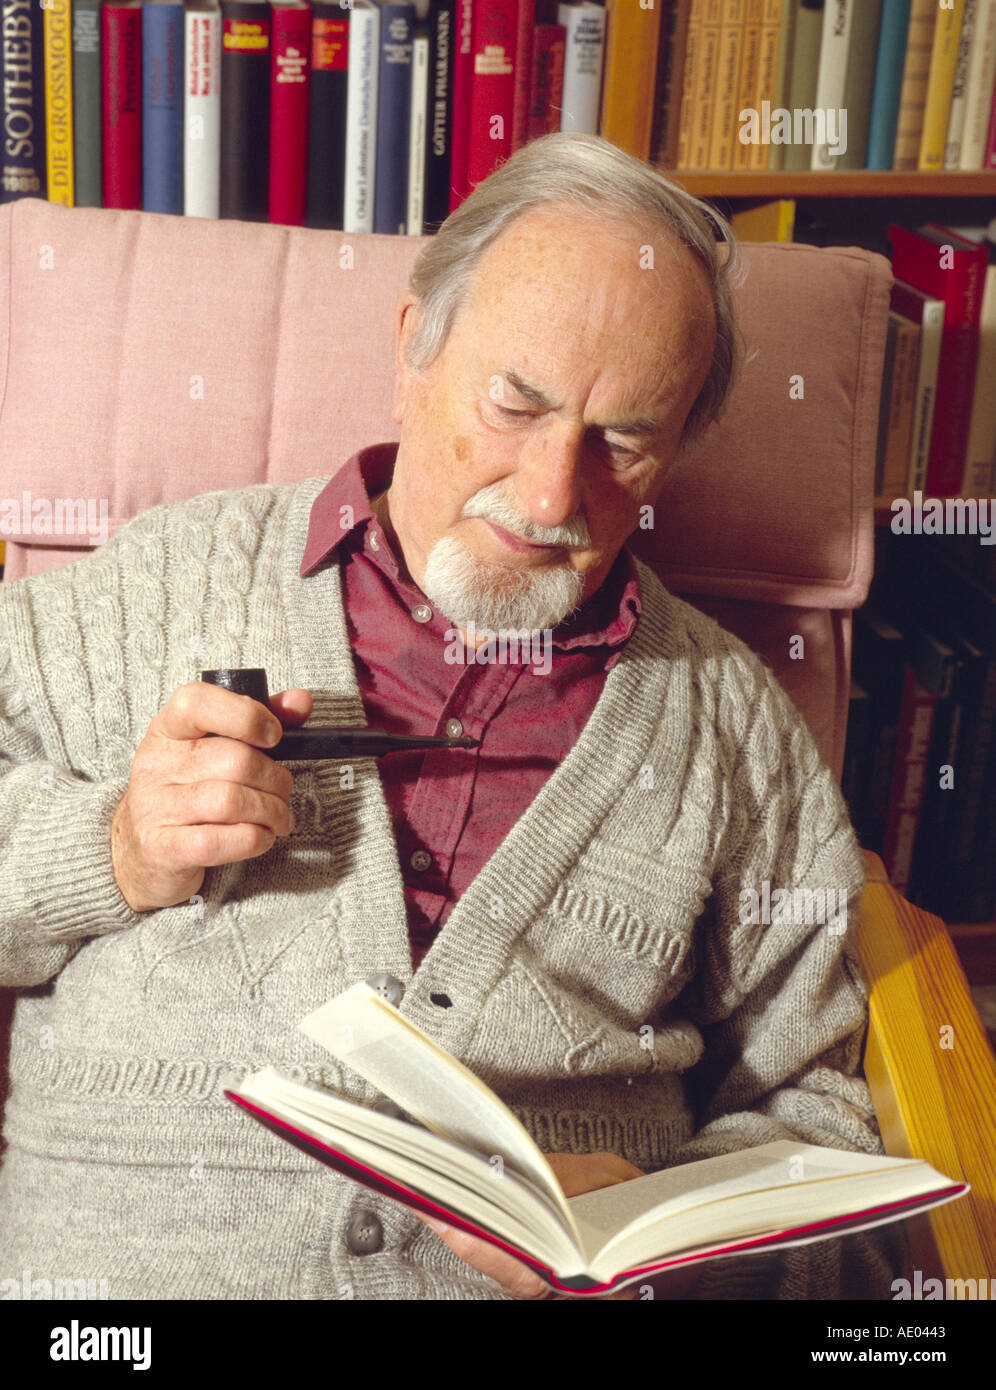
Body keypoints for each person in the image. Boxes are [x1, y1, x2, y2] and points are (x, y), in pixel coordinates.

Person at [0, 133, 905, 1301]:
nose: (546, 494)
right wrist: (113, 851)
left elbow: (821, 1109)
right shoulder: (157, 579)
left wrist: (652, 1220)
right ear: (410, 348)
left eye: (622, 440)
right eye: (514, 403)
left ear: (676, 449)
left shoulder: (732, 724)